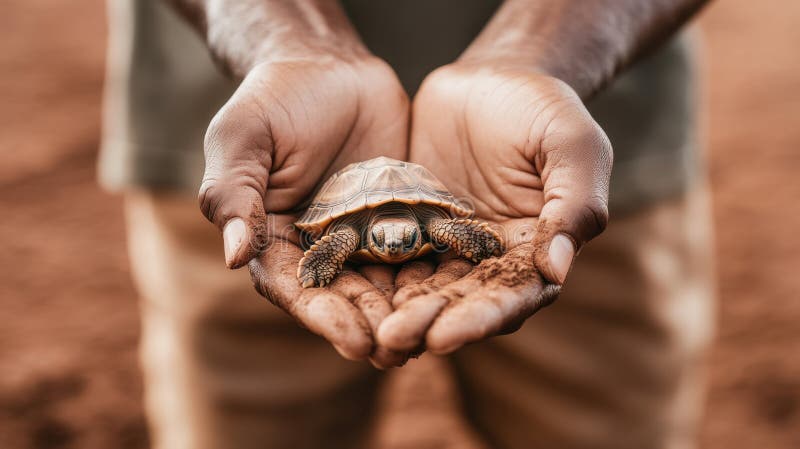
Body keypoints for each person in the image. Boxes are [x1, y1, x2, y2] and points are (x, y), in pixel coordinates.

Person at [100, 0, 715, 448]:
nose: (393, 240)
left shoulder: (437, 227)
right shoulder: (342, 234)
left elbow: (460, 230)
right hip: (270, 164)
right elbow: (335, 235)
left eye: (399, 234)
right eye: (385, 235)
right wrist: (286, 42)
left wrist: (531, 58)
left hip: (551, 160)